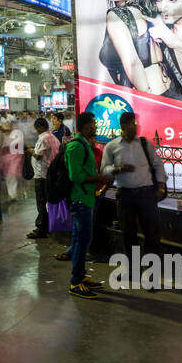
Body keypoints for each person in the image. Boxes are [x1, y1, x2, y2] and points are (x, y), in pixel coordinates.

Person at [101, 112, 168, 276]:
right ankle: (134, 268)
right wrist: (118, 169)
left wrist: (160, 187)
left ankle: (154, 270)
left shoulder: (145, 144)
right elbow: (104, 170)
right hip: (125, 196)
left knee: (151, 233)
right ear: (123, 126)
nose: (135, 126)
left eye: (135, 123)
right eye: (132, 123)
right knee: (129, 234)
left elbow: (158, 165)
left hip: (146, 194)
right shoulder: (112, 146)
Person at [98, 0, 165, 92]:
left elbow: (132, 62)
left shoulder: (116, 15)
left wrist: (147, 96)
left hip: (151, 94)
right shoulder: (148, 12)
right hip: (169, 89)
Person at [62, 113, 107, 297]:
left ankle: (80, 276)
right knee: (82, 241)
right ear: (86, 126)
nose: (95, 127)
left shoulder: (85, 145)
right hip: (80, 200)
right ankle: (75, 282)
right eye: (93, 124)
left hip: (86, 199)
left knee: (81, 239)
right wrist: (98, 178)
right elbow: (75, 176)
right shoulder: (76, 146)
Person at [26, 117, 60, 239]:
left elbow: (38, 156)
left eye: (36, 129)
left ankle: (41, 229)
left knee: (41, 202)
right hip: (51, 175)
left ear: (40, 127)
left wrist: (30, 150)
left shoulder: (43, 138)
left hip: (41, 174)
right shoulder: (54, 138)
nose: (36, 131)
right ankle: (48, 225)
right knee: (47, 202)